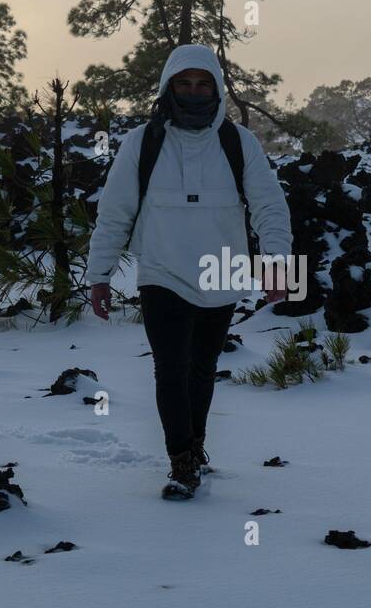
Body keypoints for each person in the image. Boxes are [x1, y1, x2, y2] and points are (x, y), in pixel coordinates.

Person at [86, 43, 294, 499]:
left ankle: (196, 447)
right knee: (170, 368)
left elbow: (268, 206)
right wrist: (98, 274)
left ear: (217, 87)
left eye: (203, 83)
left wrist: (277, 262)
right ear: (168, 86)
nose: (194, 91)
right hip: (162, 269)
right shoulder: (143, 142)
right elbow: (115, 212)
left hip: (223, 269)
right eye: (185, 83)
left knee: (203, 367)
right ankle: (180, 459)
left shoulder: (238, 142)